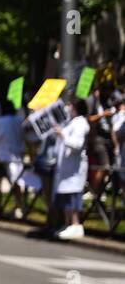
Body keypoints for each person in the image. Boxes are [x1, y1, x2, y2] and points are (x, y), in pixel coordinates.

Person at [51, 98, 91, 240]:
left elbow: (76, 144)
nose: (67, 108)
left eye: (70, 105)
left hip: (74, 168)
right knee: (66, 196)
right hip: (66, 167)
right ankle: (68, 224)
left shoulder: (81, 123)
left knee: (73, 196)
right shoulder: (71, 122)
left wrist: (62, 134)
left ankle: (76, 224)